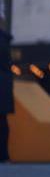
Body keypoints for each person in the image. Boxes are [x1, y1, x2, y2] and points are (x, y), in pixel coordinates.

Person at [0, 15, 12, 163]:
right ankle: (4, 155)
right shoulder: (4, 40)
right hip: (4, 87)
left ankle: (3, 155)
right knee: (2, 121)